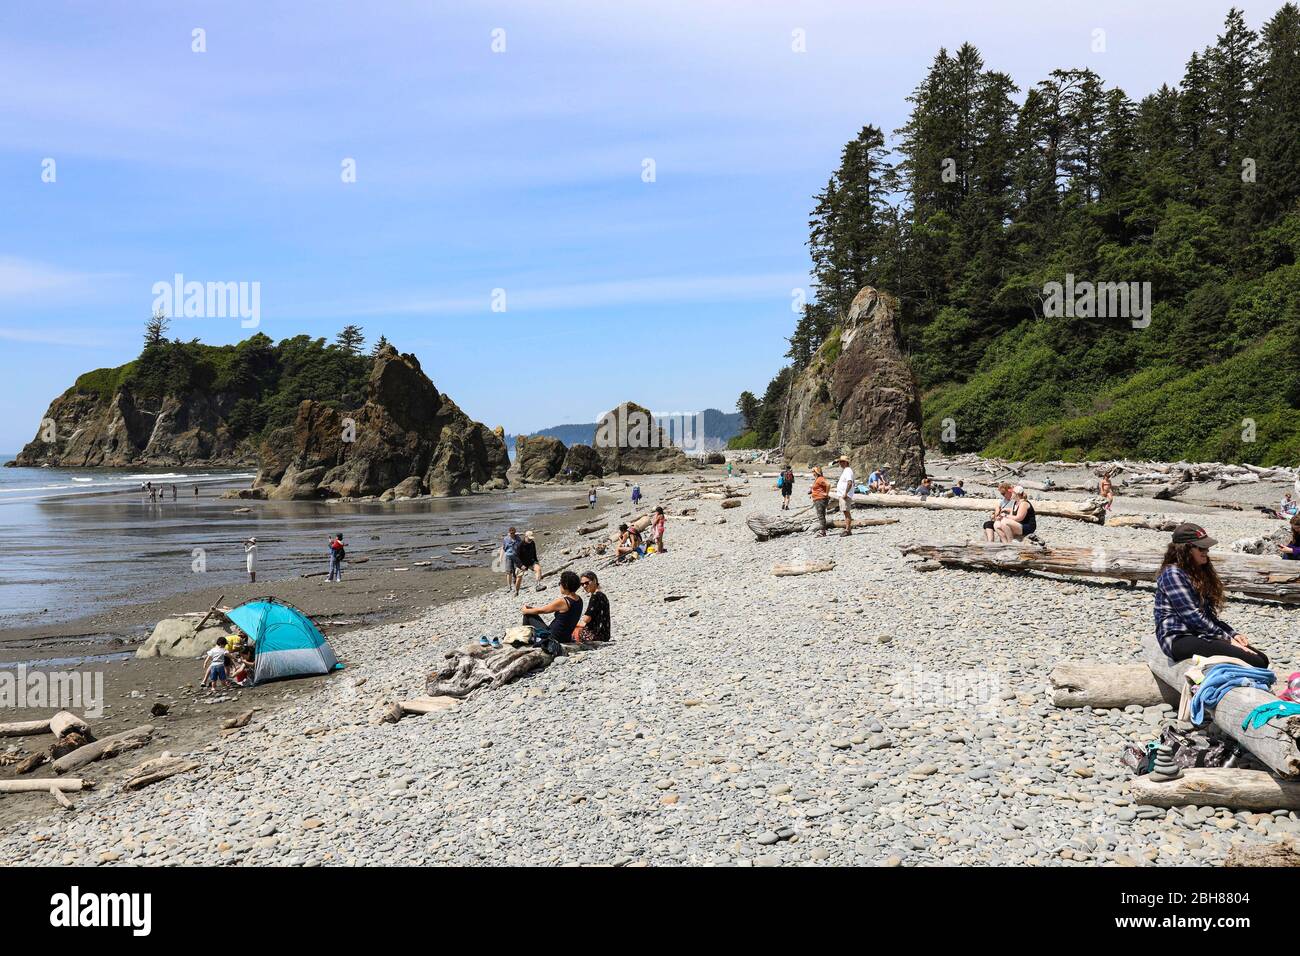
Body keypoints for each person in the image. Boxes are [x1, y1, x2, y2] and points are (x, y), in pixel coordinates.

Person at [1155, 523, 1268, 666]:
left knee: (1261, 658)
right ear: (1185, 549)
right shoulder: (1172, 574)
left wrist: (1233, 634)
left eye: (1207, 547)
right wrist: (1228, 640)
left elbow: (1208, 615)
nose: (1206, 551)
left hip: (1198, 634)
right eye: (1201, 548)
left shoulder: (1196, 571)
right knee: (1256, 661)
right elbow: (1193, 616)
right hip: (1178, 638)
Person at [521, 570, 584, 645]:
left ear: (565, 585)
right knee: (531, 612)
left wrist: (525, 610)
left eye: (560, 583)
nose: (560, 585)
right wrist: (532, 609)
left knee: (528, 615)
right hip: (566, 637)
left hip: (553, 636)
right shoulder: (579, 600)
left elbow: (542, 610)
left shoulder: (563, 602)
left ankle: (524, 639)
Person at [575, 571, 611, 643]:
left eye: (587, 583)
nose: (584, 586)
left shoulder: (595, 596)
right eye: (582, 584)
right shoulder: (602, 595)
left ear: (594, 581)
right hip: (605, 634)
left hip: (595, 635)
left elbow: (586, 619)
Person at [834, 455, 855, 536]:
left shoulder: (848, 471)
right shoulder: (846, 470)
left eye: (841, 462)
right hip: (843, 495)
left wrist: (846, 493)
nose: (840, 463)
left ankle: (848, 530)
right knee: (845, 512)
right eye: (840, 462)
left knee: (846, 512)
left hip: (845, 495)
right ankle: (847, 529)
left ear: (846, 462)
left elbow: (849, 483)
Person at [809, 465, 831, 536]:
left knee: (821, 515)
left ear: (817, 472)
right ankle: (823, 530)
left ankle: (822, 531)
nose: (812, 473)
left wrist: (826, 493)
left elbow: (828, 484)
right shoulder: (818, 479)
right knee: (821, 514)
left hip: (820, 499)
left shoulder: (820, 478)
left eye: (813, 471)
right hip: (818, 498)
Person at [501, 527, 522, 592]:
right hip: (508, 556)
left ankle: (516, 584)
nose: (512, 534)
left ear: (515, 532)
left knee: (516, 571)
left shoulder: (518, 538)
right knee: (508, 572)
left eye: (513, 533)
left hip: (516, 556)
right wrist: (500, 557)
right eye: (511, 533)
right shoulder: (506, 539)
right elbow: (503, 548)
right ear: (509, 532)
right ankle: (509, 587)